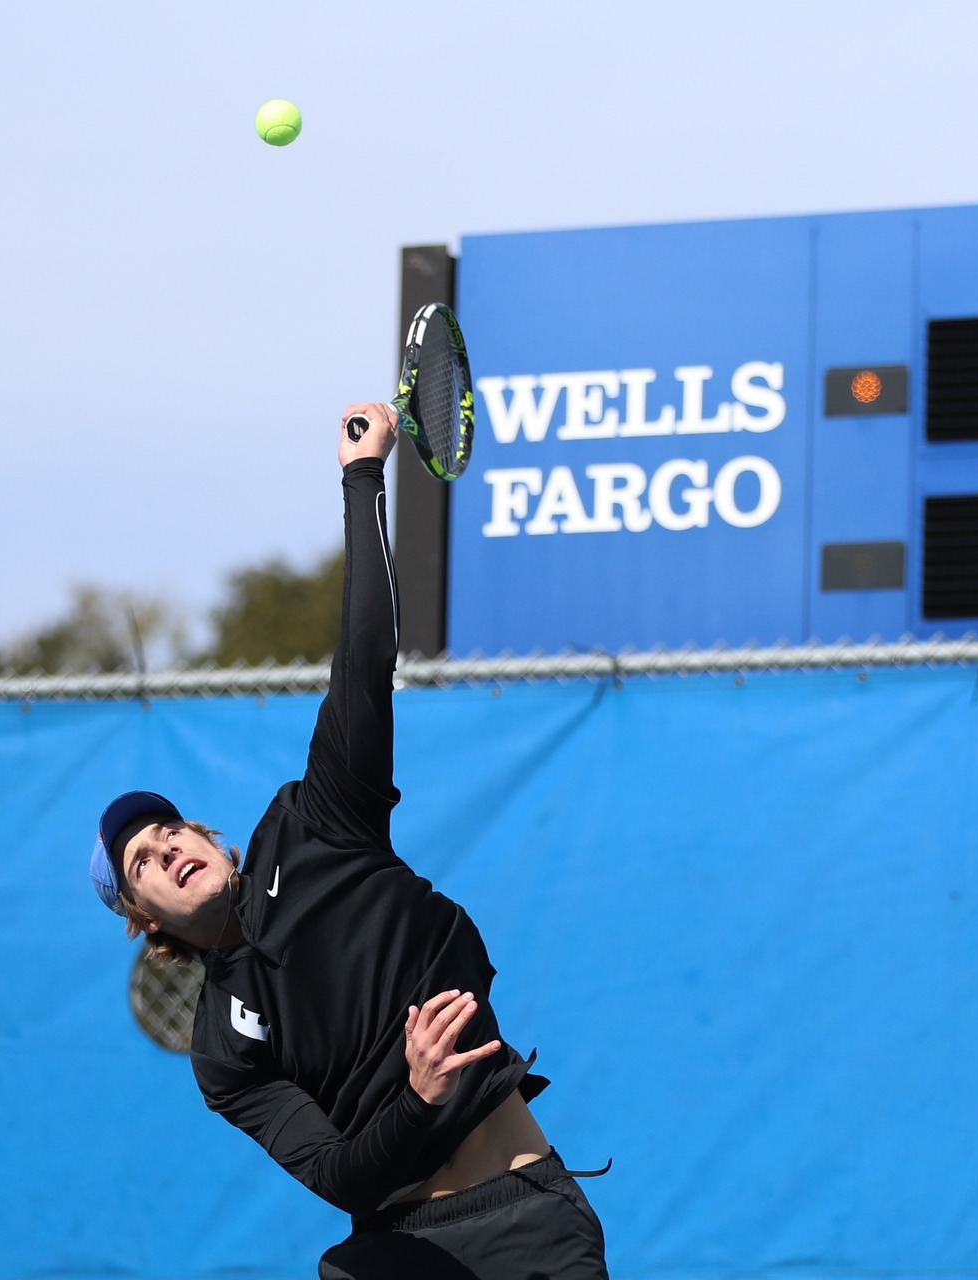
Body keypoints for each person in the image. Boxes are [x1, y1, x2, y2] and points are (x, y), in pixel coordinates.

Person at [88, 403, 609, 1279]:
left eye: (171, 827)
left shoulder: (313, 823)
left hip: (528, 1224)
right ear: (149, 921)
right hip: (399, 1255)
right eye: (143, 861)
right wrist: (418, 1096)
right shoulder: (223, 1052)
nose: (167, 846)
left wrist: (363, 479)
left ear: (209, 839)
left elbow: (365, 659)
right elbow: (336, 1174)